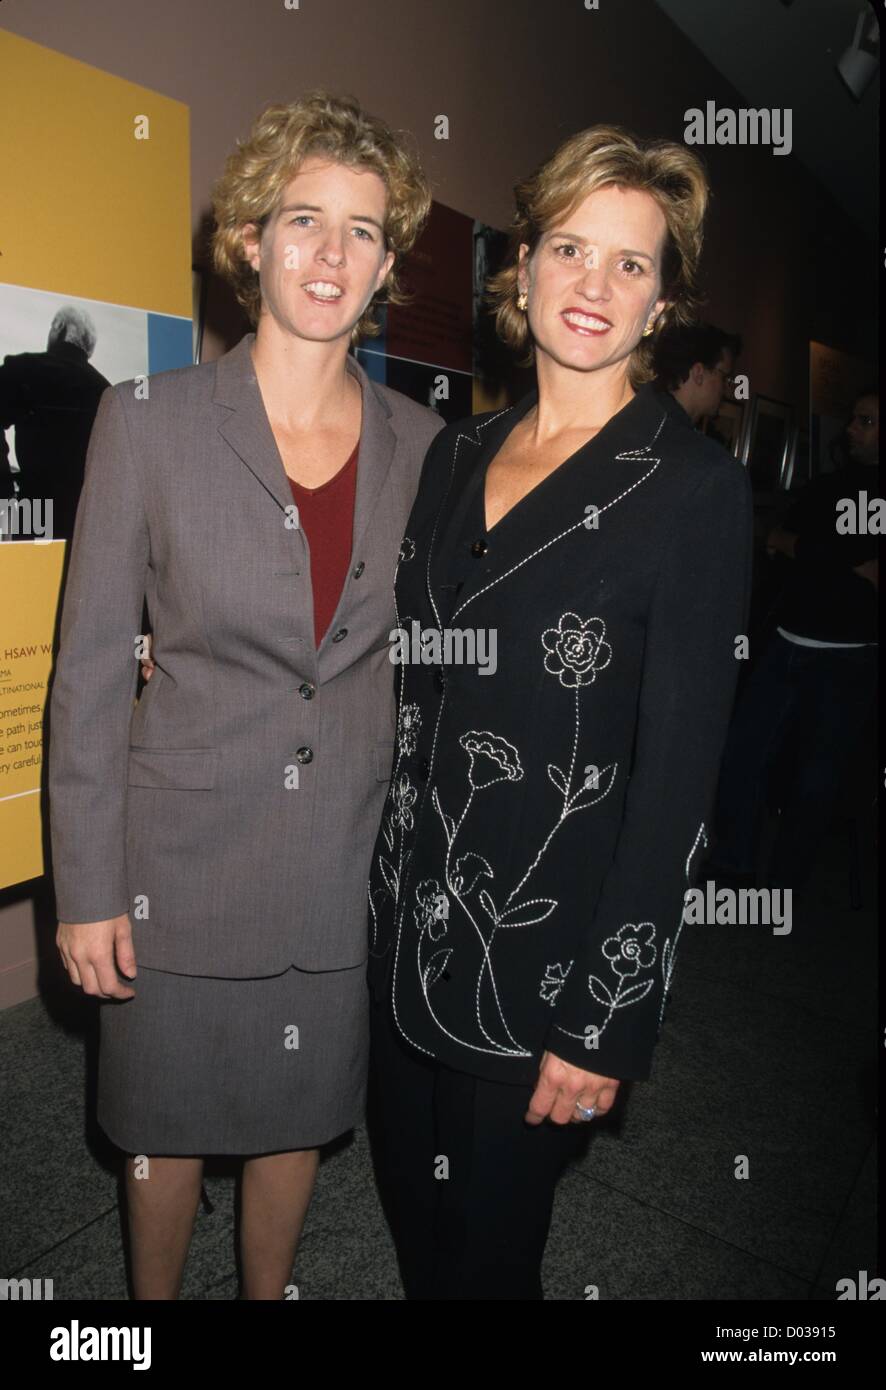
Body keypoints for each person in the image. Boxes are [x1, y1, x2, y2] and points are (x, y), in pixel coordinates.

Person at [49, 91, 443, 1300]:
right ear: (252, 241)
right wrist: (89, 889)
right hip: (177, 862)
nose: (331, 253)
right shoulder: (148, 422)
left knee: (298, 1117)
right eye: (303, 221)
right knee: (161, 1126)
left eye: (363, 231)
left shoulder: (427, 445)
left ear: (385, 262)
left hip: (337, 860)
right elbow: (90, 669)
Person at [366, 124, 753, 1299]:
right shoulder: (457, 452)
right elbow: (418, 679)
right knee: (413, 1227)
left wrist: (607, 1019)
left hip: (539, 954)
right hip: (403, 922)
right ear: (521, 263)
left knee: (487, 1260)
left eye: (630, 264)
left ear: (661, 305)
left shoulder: (690, 489)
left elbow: (679, 781)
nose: (595, 284)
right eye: (572, 248)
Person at [708, 386, 879, 894]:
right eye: (855, 418)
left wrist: (806, 547)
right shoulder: (828, 485)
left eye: (866, 421)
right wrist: (821, 551)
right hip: (786, 640)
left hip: (848, 658)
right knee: (742, 753)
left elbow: (844, 549)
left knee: (816, 780)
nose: (852, 429)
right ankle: (734, 865)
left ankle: (785, 887)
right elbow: (784, 539)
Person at [0, 306, 110, 539]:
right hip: (84, 520)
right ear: (88, 347)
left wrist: (4, 490)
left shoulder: (22, 369)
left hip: (33, 512)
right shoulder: (106, 392)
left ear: (59, 328)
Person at [652, 320, 741, 428]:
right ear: (698, 373)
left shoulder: (649, 417)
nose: (728, 390)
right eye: (725, 377)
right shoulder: (681, 438)